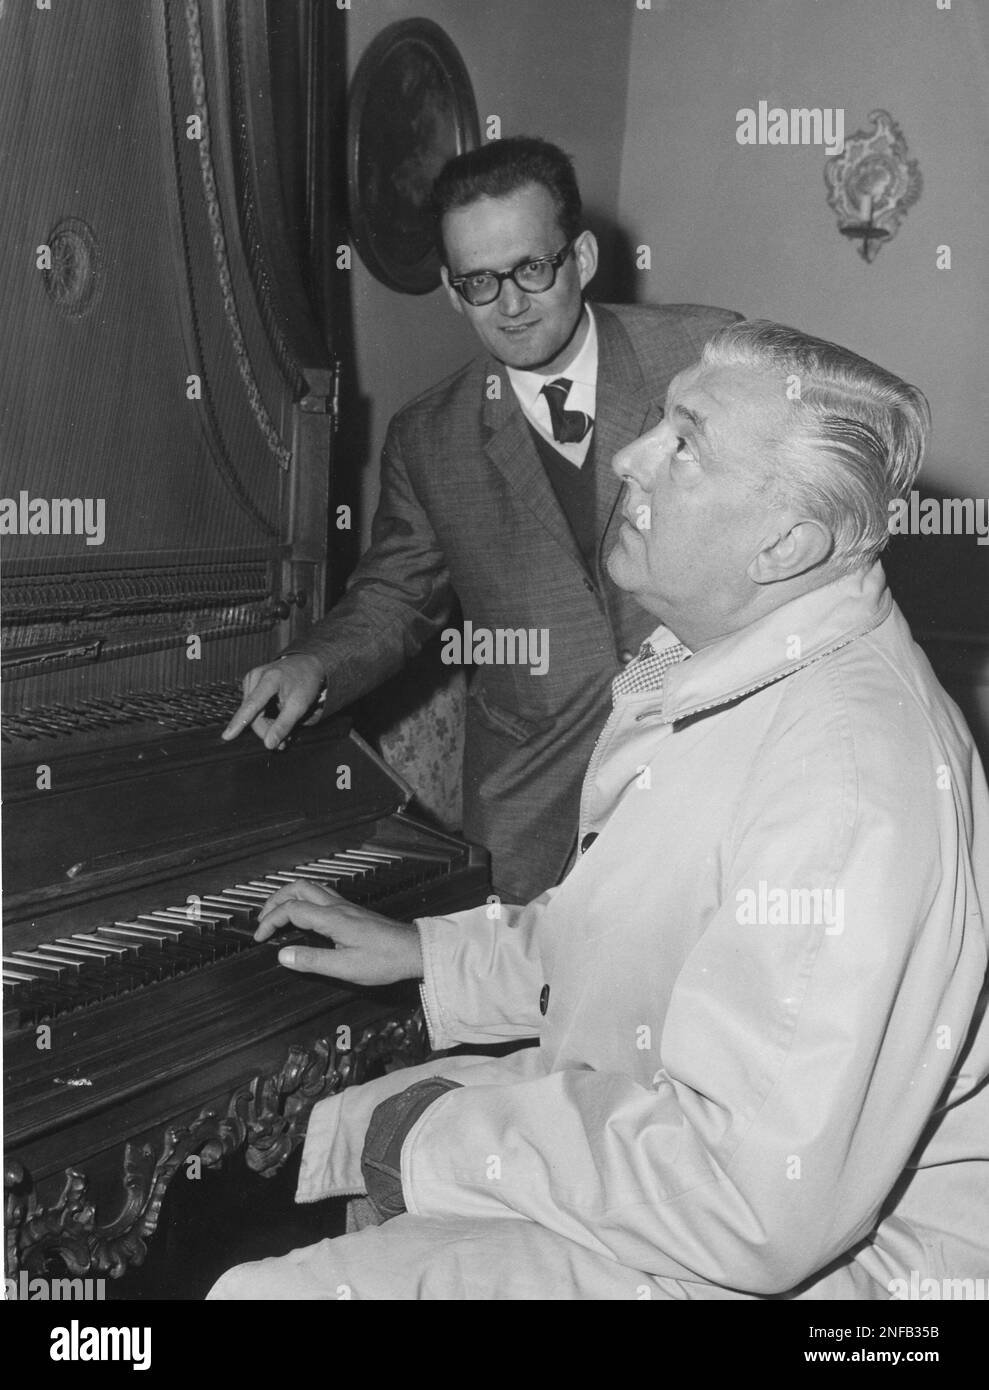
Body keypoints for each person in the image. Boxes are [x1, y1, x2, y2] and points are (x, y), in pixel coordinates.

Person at [208, 320, 988, 1301]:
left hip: (824, 1275)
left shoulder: (846, 782)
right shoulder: (727, 656)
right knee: (349, 1126)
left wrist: (446, 1138)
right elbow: (639, 930)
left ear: (784, 542)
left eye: (683, 443)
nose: (627, 456)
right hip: (699, 1176)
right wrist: (430, 954)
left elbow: (747, 1205)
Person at [221, 136, 738, 903]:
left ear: (582, 257)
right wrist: (315, 663)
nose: (511, 303)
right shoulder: (428, 436)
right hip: (533, 794)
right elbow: (395, 598)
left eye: (533, 267)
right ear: (451, 289)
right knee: (515, 1009)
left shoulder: (706, 354)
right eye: (480, 280)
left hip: (713, 751)